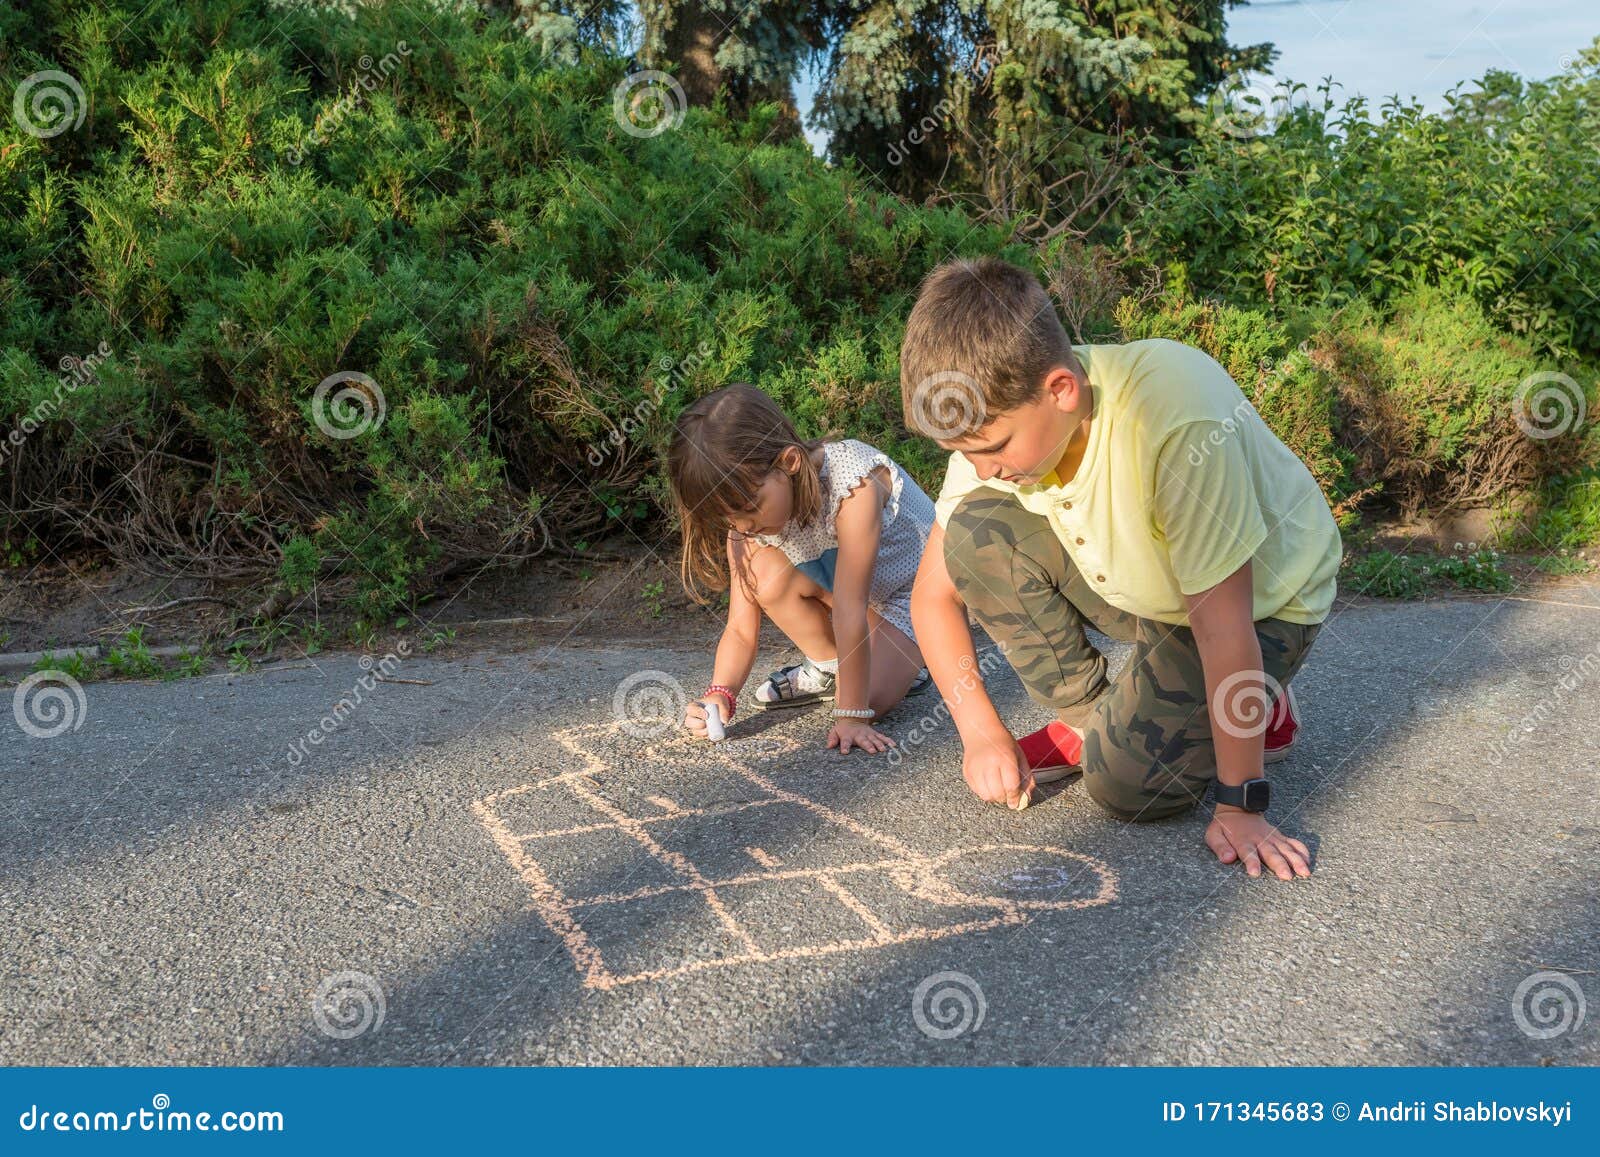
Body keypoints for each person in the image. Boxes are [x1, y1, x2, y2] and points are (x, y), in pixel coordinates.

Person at [902, 257, 1342, 880]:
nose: (982, 469)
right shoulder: (994, 411)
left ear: (1061, 389)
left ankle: (1252, 704)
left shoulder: (1174, 418)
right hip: (1142, 584)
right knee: (977, 529)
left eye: (992, 450)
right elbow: (932, 598)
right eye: (963, 454)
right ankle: (1100, 720)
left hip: (1259, 606)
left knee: (1122, 789)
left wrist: (1242, 805)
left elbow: (1223, 628)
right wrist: (979, 732)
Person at [667, 384, 935, 754]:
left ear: (789, 462)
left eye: (749, 508)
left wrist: (853, 716)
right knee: (760, 568)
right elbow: (741, 629)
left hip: (918, 595)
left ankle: (914, 662)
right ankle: (830, 666)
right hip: (864, 598)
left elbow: (849, 607)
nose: (742, 525)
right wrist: (719, 694)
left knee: (864, 697)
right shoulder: (750, 522)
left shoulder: (854, 484)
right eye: (729, 517)